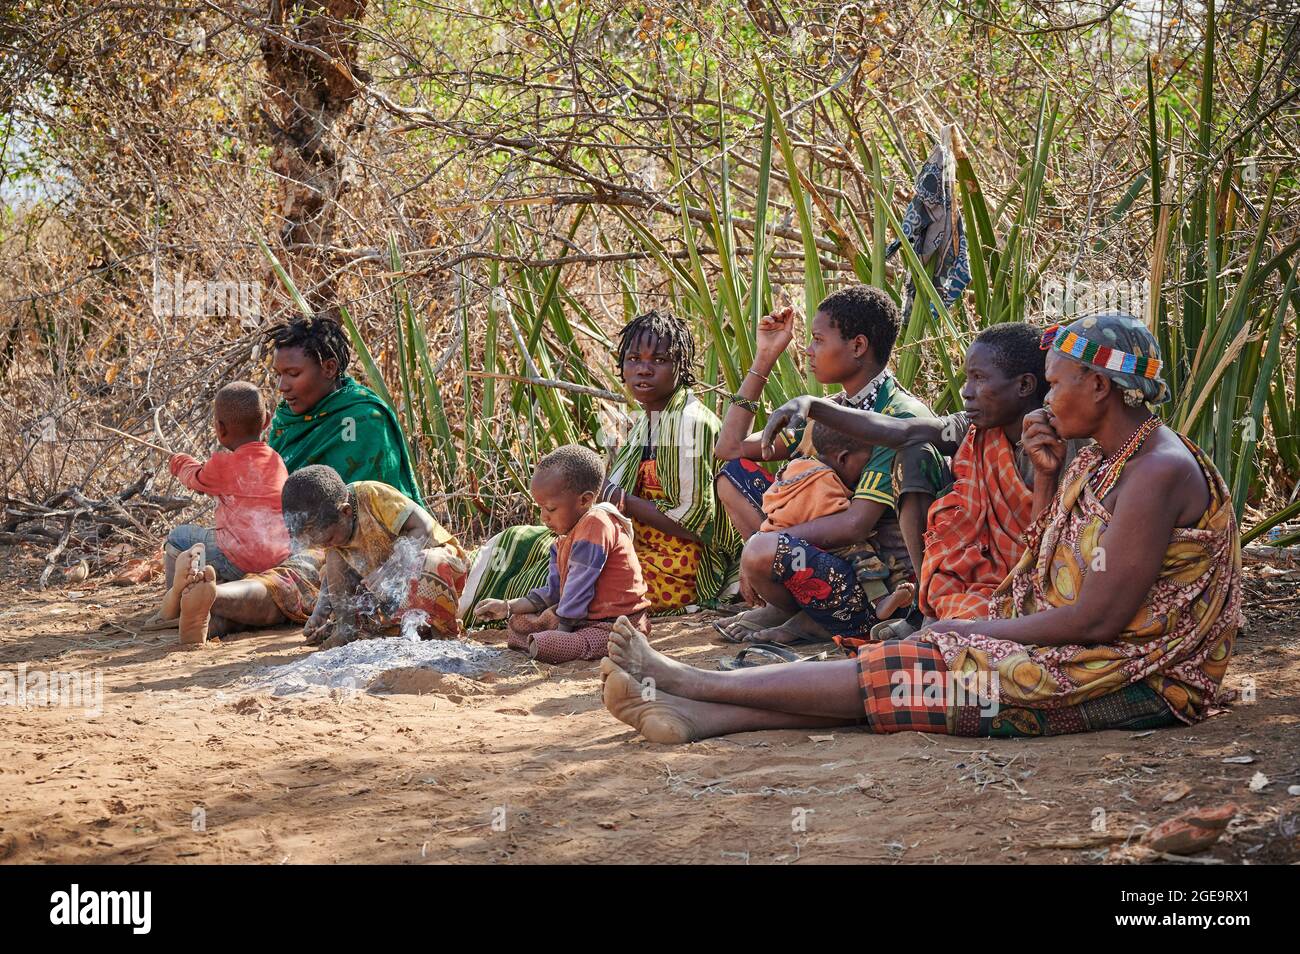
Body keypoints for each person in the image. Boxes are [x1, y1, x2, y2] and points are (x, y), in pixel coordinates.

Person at [599, 313, 1242, 742]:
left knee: (927, 661)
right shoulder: (1108, 456)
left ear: (1099, 386)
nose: (1046, 400)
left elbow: (1097, 621)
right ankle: (700, 717)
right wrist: (1046, 479)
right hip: (1091, 645)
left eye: (1054, 386)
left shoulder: (1156, 470)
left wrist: (973, 626)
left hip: (1141, 673)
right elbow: (1053, 560)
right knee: (916, 667)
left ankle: (695, 684)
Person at [763, 322, 1078, 630]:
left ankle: (956, 614)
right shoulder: (977, 428)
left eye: (979, 379)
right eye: (967, 378)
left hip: (1041, 565)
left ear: (1024, 385)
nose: (967, 392)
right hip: (982, 561)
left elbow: (1053, 538)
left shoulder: (1065, 440)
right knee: (914, 454)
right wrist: (813, 405)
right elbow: (903, 431)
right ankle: (925, 606)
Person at [460, 310, 740, 622]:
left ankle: (524, 612)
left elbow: (694, 521)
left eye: (659, 360)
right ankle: (470, 582)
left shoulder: (690, 423)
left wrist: (618, 499)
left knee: (578, 567)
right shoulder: (647, 422)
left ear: (681, 365)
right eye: (634, 358)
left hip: (678, 568)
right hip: (637, 545)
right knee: (527, 540)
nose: (644, 370)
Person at [168, 315, 427, 640]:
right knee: (201, 544)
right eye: (278, 375)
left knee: (303, 573)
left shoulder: (364, 419)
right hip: (284, 535)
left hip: (340, 540)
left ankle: (215, 601)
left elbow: (366, 519)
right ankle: (209, 607)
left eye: (293, 374)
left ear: (330, 368)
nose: (282, 386)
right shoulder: (285, 420)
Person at [713, 286, 942, 643]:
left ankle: (825, 618)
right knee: (734, 476)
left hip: (878, 579)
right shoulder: (830, 409)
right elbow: (730, 450)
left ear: (858, 346)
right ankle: (795, 607)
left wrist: (761, 547)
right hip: (826, 558)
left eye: (818, 340)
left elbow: (855, 525)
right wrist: (764, 359)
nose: (808, 350)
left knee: (762, 551)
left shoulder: (897, 416)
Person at [475, 445, 650, 664]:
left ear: (584, 500)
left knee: (552, 644)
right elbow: (554, 591)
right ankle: (549, 640)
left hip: (619, 624)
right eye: (540, 508)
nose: (543, 518)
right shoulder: (562, 539)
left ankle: (557, 643)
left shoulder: (596, 524)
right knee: (518, 623)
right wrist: (507, 607)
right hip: (583, 620)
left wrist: (562, 632)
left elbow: (579, 586)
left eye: (550, 509)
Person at [273, 466, 467, 650]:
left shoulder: (373, 495)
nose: (328, 545)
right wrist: (321, 610)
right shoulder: (333, 529)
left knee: (430, 562)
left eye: (330, 538)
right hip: (392, 592)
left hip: (438, 574)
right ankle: (346, 629)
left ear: (346, 512)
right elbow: (334, 577)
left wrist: (389, 569)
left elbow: (422, 528)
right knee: (333, 562)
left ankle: (439, 633)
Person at [156, 382, 291, 627]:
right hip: (278, 559)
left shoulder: (222, 465)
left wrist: (179, 462)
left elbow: (193, 478)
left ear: (220, 428)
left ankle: (175, 605)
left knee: (179, 536)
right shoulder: (277, 460)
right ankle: (217, 613)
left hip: (238, 560)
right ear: (267, 421)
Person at [757, 421, 914, 622]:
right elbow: (839, 516)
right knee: (866, 556)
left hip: (779, 544)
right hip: (814, 544)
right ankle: (881, 601)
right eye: (865, 462)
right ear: (843, 458)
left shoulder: (795, 467)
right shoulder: (824, 478)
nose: (865, 470)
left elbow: (770, 502)